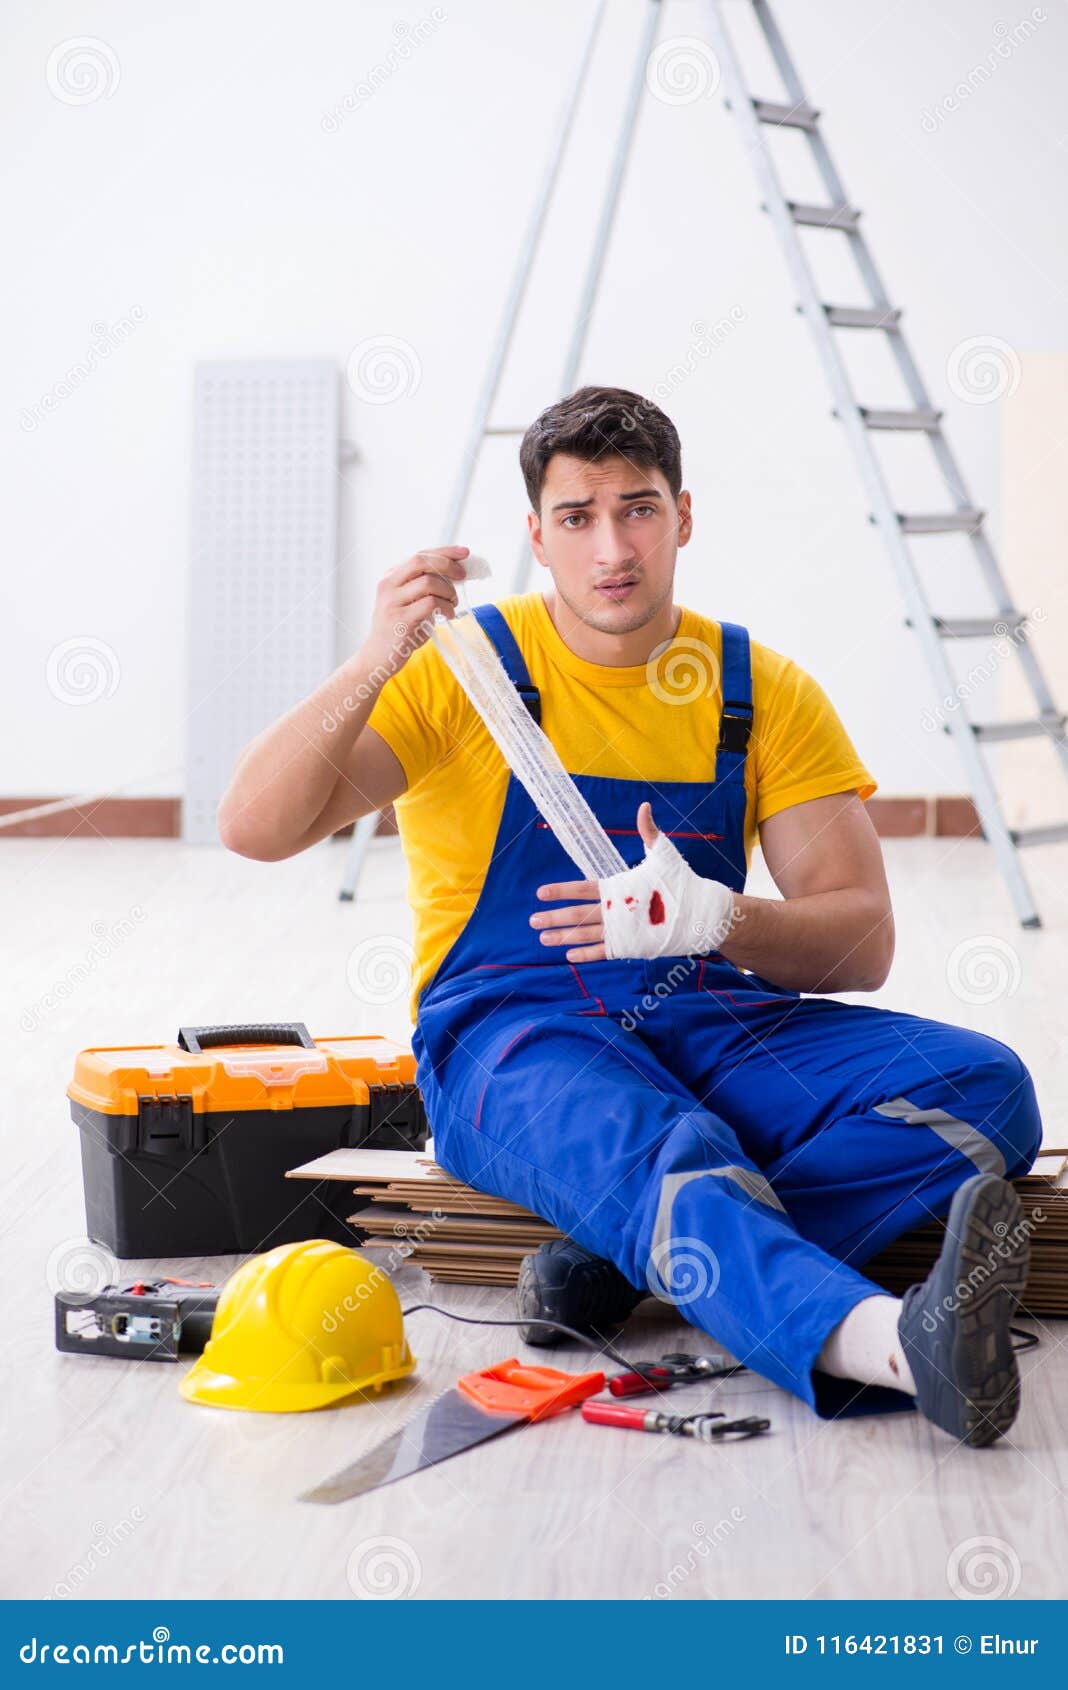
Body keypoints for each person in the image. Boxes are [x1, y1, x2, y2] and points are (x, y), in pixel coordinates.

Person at [219, 385, 1043, 1447]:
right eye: (578, 517)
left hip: (707, 1013)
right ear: (538, 536)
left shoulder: (757, 690)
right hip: (514, 1039)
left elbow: (862, 945)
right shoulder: (465, 676)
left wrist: (714, 919)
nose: (613, 546)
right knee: (678, 1145)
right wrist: (377, 652)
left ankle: (628, 1256)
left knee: (983, 1088)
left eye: (638, 508)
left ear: (683, 516)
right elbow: (253, 824)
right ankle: (893, 1341)